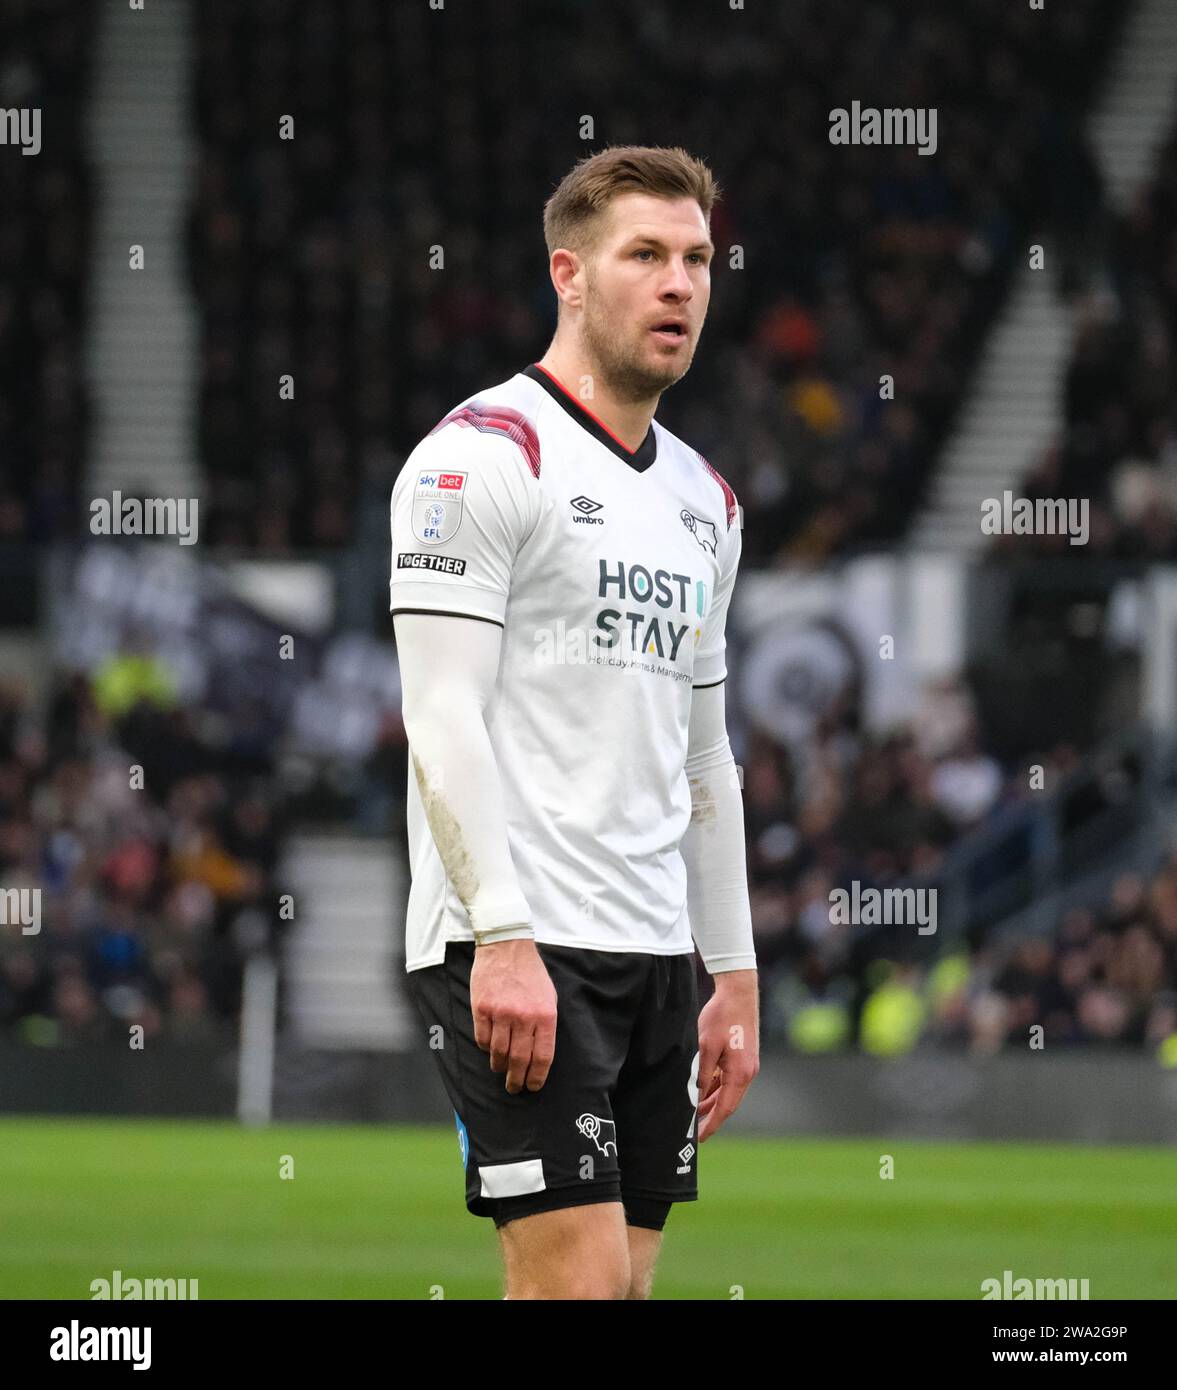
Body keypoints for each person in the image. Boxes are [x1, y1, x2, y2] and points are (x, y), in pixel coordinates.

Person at [390, 145, 758, 1300]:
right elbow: (437, 710)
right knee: (578, 1291)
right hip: (518, 940)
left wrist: (733, 971)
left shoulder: (708, 504)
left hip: (654, 957)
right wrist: (500, 932)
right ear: (570, 274)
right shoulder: (480, 458)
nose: (679, 284)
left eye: (696, 258)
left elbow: (704, 754)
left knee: (620, 1292)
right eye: (644, 255)